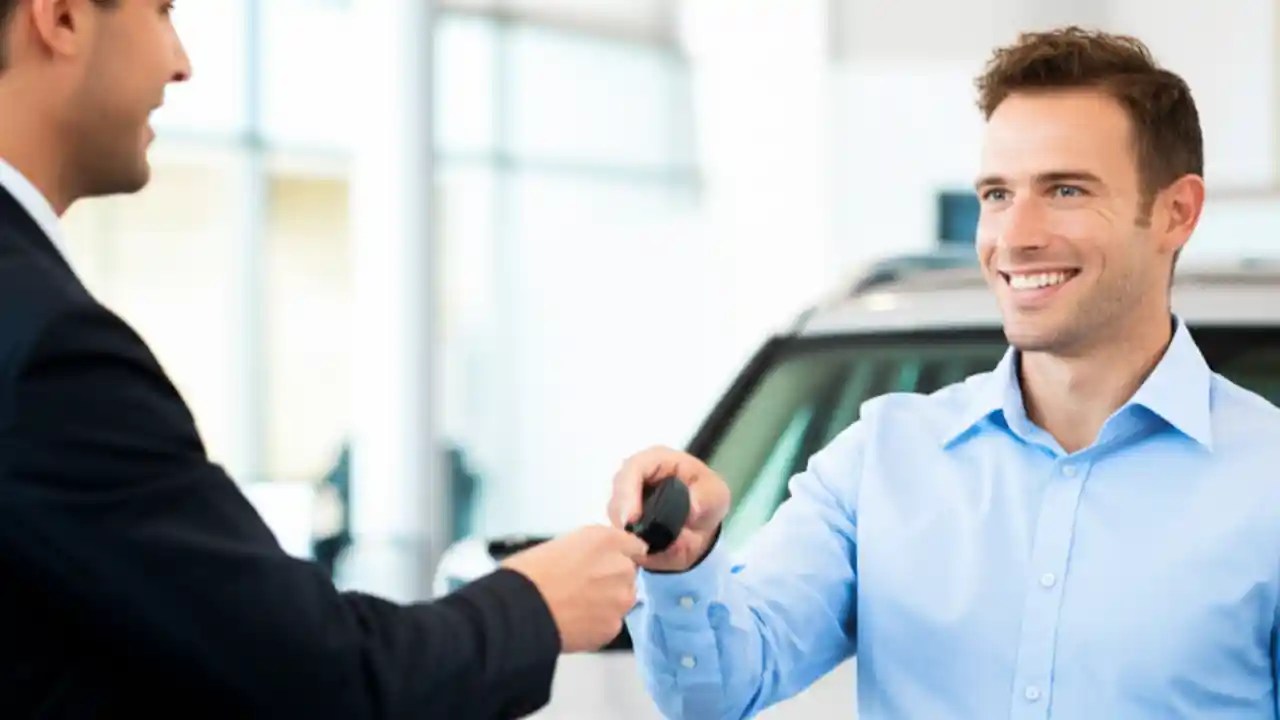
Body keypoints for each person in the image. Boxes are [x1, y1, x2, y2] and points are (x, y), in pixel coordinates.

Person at [609, 26, 1280, 720]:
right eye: (997, 194)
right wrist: (684, 564)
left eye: (1067, 190)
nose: (1014, 235)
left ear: (1177, 212)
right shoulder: (881, 462)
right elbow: (716, 691)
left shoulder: (1269, 479)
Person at [0, 1, 646, 717]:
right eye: (160, 12)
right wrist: (535, 604)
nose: (180, 62)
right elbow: (317, 680)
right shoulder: (45, 348)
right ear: (59, 17)